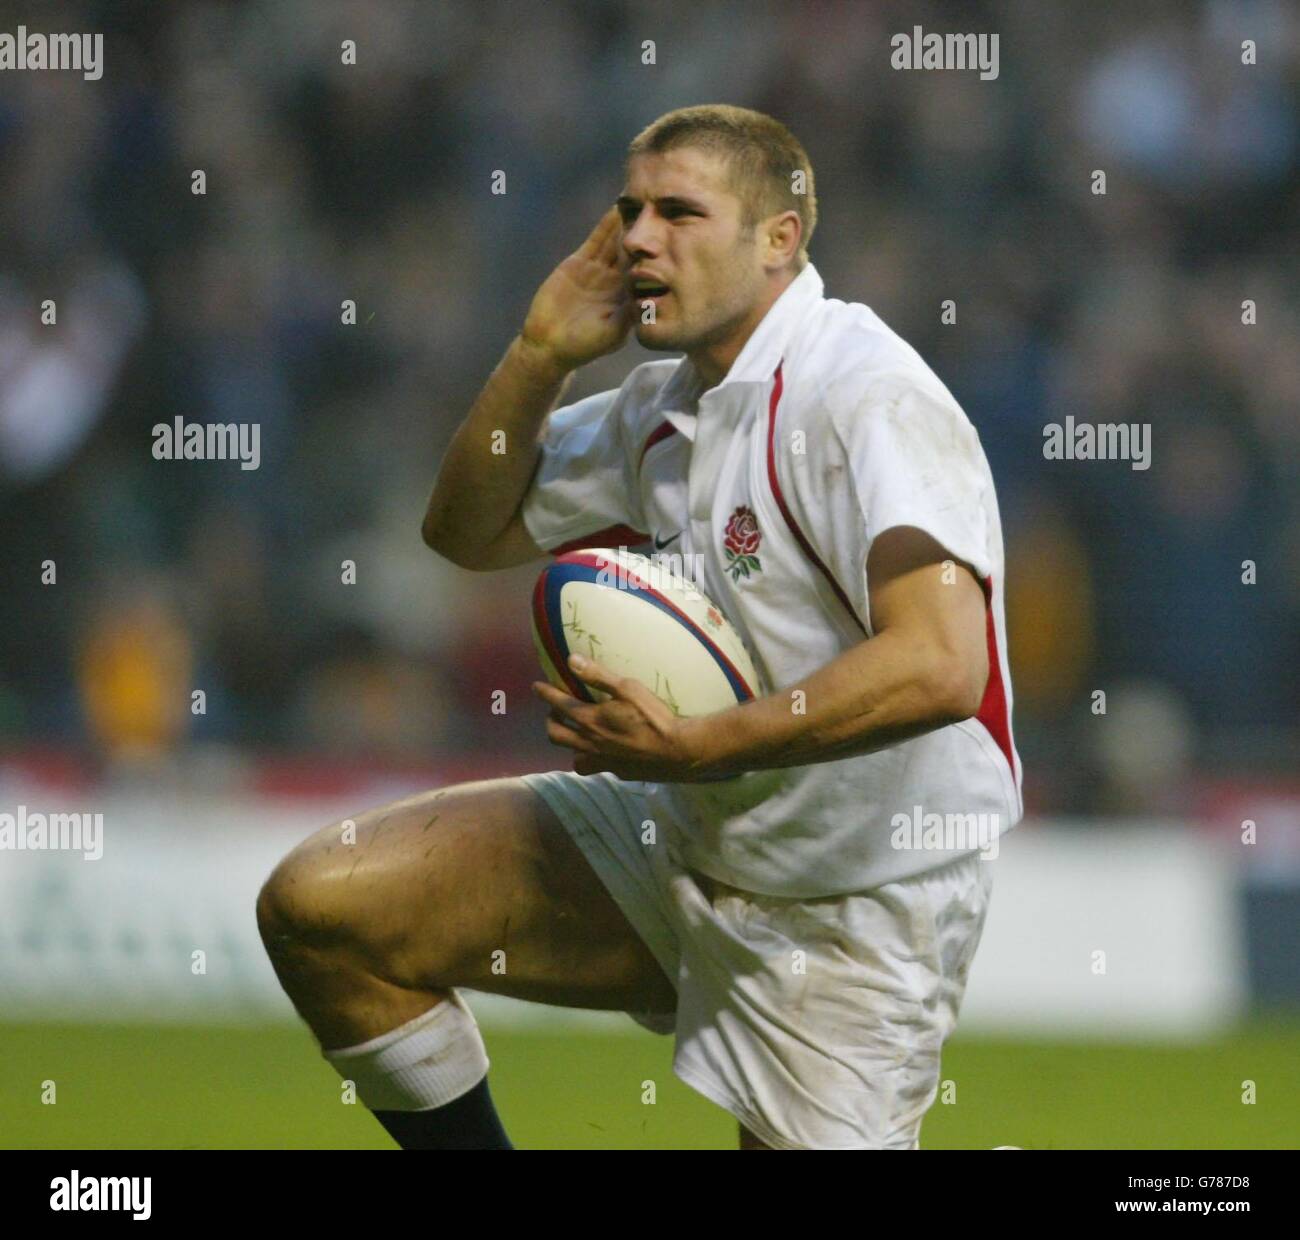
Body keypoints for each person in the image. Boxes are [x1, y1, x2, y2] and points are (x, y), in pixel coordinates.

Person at [257, 104, 1021, 1150]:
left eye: (678, 212)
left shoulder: (867, 394)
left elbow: (938, 663)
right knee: (327, 907)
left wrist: (702, 745)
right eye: (628, 209)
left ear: (778, 241)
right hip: (683, 838)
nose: (636, 239)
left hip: (853, 903)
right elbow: (462, 531)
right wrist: (538, 354)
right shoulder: (660, 407)